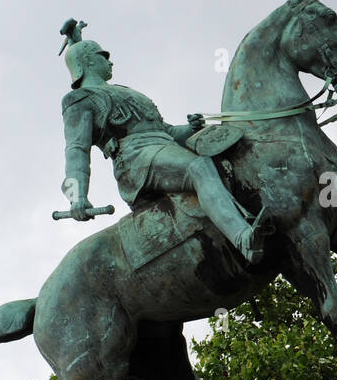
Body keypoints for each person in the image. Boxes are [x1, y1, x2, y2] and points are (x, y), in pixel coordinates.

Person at [56, 18, 269, 264]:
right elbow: (76, 149)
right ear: (88, 61)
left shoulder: (127, 91)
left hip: (163, 147)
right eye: (104, 56)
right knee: (198, 166)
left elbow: (165, 130)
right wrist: (77, 196)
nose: (111, 61)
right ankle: (243, 237)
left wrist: (189, 129)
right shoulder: (79, 99)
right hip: (135, 159)